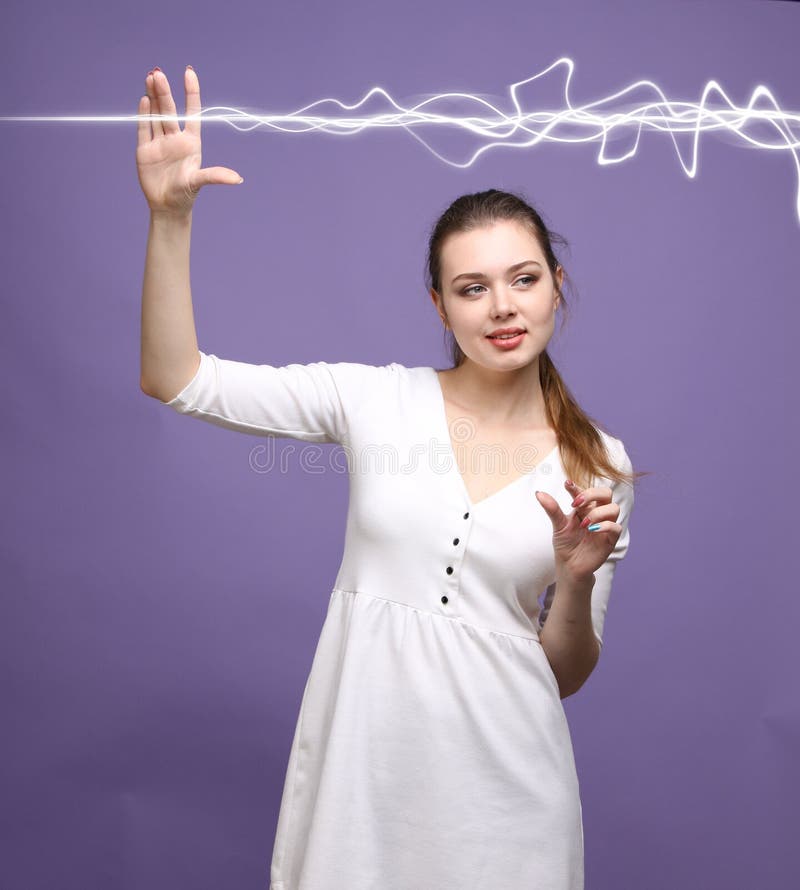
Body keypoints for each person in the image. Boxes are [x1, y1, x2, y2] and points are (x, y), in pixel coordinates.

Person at [137, 66, 637, 890]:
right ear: (440, 307)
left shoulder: (600, 463)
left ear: (556, 287)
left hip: (512, 802)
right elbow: (177, 377)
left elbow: (565, 673)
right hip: (363, 789)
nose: (502, 308)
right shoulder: (374, 399)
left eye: (524, 278)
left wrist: (576, 582)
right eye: (472, 288)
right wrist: (169, 221)